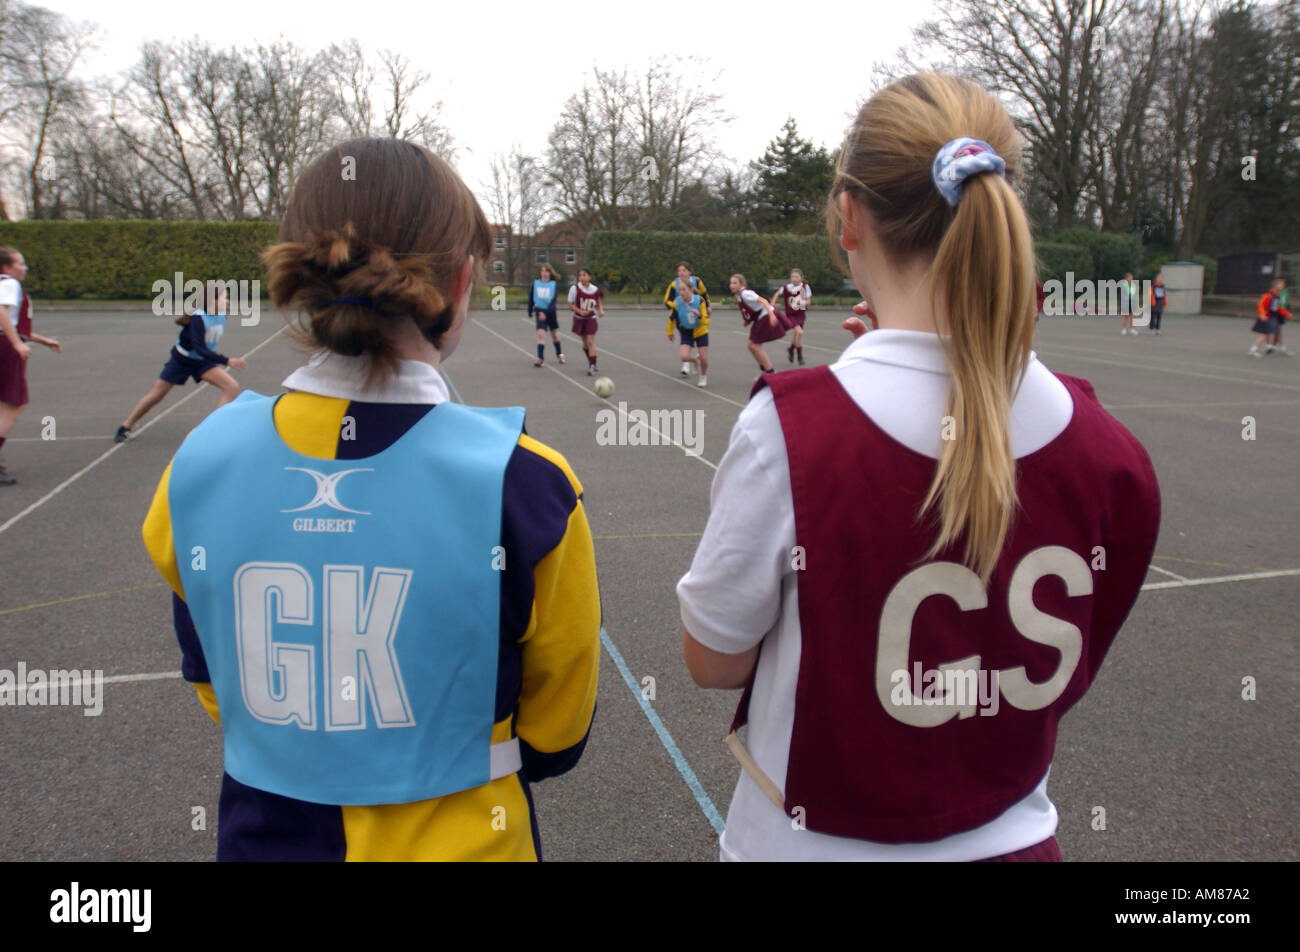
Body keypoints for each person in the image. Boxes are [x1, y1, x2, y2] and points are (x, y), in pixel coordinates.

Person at [678, 73, 1160, 862]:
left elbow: (712, 658)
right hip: (1017, 841)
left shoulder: (794, 428)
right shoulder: (1111, 453)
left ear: (850, 217)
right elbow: (1064, 675)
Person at [142, 137, 601, 861]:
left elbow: (210, 680)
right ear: (461, 285)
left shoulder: (198, 465)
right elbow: (557, 730)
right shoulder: (529, 485)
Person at [115, 284, 244, 442]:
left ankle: (215, 429)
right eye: (224, 297)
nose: (228, 301)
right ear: (212, 300)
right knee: (157, 395)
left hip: (202, 362)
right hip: (182, 360)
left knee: (231, 386)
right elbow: (200, 348)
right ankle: (125, 426)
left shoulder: (221, 315)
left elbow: (204, 351)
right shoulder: (198, 318)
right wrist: (228, 360)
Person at [0, 248, 62, 485]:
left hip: (6, 341)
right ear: (7, 267)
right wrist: (17, 343)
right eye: (21, 263)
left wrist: (41, 339)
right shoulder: (9, 284)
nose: (24, 267)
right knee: (14, 404)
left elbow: (11, 323)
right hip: (5, 346)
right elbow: (2, 314)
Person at [730, 273, 791, 374]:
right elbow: (751, 309)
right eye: (731, 283)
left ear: (742, 284)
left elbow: (764, 301)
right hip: (761, 317)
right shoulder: (740, 296)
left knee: (755, 345)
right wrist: (746, 320)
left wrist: (771, 315)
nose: (732, 285)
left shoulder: (746, 293)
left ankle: (770, 373)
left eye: (735, 283)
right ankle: (765, 369)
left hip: (766, 316)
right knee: (751, 345)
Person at [665, 264, 710, 383]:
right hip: (686, 330)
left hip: (700, 330)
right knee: (684, 357)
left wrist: (699, 315)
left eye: (684, 289)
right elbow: (671, 318)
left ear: (690, 289)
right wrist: (669, 332)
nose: (681, 292)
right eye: (680, 290)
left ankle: (703, 376)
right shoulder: (677, 302)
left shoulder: (699, 300)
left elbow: (706, 321)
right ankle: (694, 361)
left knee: (704, 358)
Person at [568, 268, 604, 375]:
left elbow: (597, 300)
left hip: (590, 319)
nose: (582, 277)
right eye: (580, 275)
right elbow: (570, 304)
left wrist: (600, 310)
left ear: (589, 277)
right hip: (579, 319)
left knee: (590, 341)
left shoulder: (595, 290)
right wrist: (579, 311)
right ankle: (592, 362)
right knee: (584, 344)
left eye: (584, 275)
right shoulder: (574, 289)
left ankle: (592, 366)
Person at [529, 262, 563, 367]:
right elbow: (531, 298)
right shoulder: (536, 284)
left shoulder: (553, 285)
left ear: (550, 273)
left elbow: (553, 302)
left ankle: (559, 354)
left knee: (554, 335)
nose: (544, 273)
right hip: (539, 311)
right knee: (541, 334)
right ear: (540, 273)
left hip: (550, 312)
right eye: (542, 271)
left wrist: (546, 313)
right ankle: (540, 358)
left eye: (546, 271)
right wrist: (529, 310)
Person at [1249, 277, 1291, 358]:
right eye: (1281, 285)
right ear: (1276, 285)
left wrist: (1287, 314)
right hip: (1267, 317)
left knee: (1271, 332)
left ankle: (1269, 347)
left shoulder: (1278, 296)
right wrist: (1262, 315)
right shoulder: (1268, 295)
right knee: (1265, 334)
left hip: (1272, 317)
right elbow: (1260, 306)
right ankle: (1253, 349)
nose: (1283, 286)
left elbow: (1278, 308)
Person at [777, 268, 812, 365]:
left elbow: (808, 302)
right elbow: (777, 293)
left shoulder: (805, 287)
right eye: (792, 276)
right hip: (791, 315)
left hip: (801, 314)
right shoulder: (787, 288)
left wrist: (802, 302)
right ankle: (800, 355)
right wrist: (771, 304)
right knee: (799, 332)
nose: (794, 278)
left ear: (801, 278)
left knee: (796, 334)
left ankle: (791, 349)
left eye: (796, 277)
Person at [1120, 271, 1139, 335]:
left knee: (1132, 316)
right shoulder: (1123, 285)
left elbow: (1135, 294)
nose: (1131, 278)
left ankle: (1132, 329)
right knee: (1125, 316)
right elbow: (1122, 295)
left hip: (1132, 301)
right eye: (1130, 277)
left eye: (1132, 277)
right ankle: (1124, 329)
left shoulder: (1133, 285)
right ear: (1126, 278)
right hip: (1125, 302)